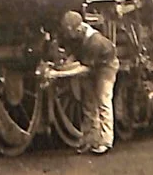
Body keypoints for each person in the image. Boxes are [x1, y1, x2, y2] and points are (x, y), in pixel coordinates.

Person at [49, 10, 120, 155]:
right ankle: (88, 140)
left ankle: (105, 141)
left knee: (103, 100)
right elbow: (75, 54)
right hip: (91, 64)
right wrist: (62, 64)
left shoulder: (95, 42)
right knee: (88, 103)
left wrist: (58, 73)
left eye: (70, 32)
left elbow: (83, 68)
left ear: (79, 29)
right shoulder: (76, 34)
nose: (68, 35)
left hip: (106, 67)